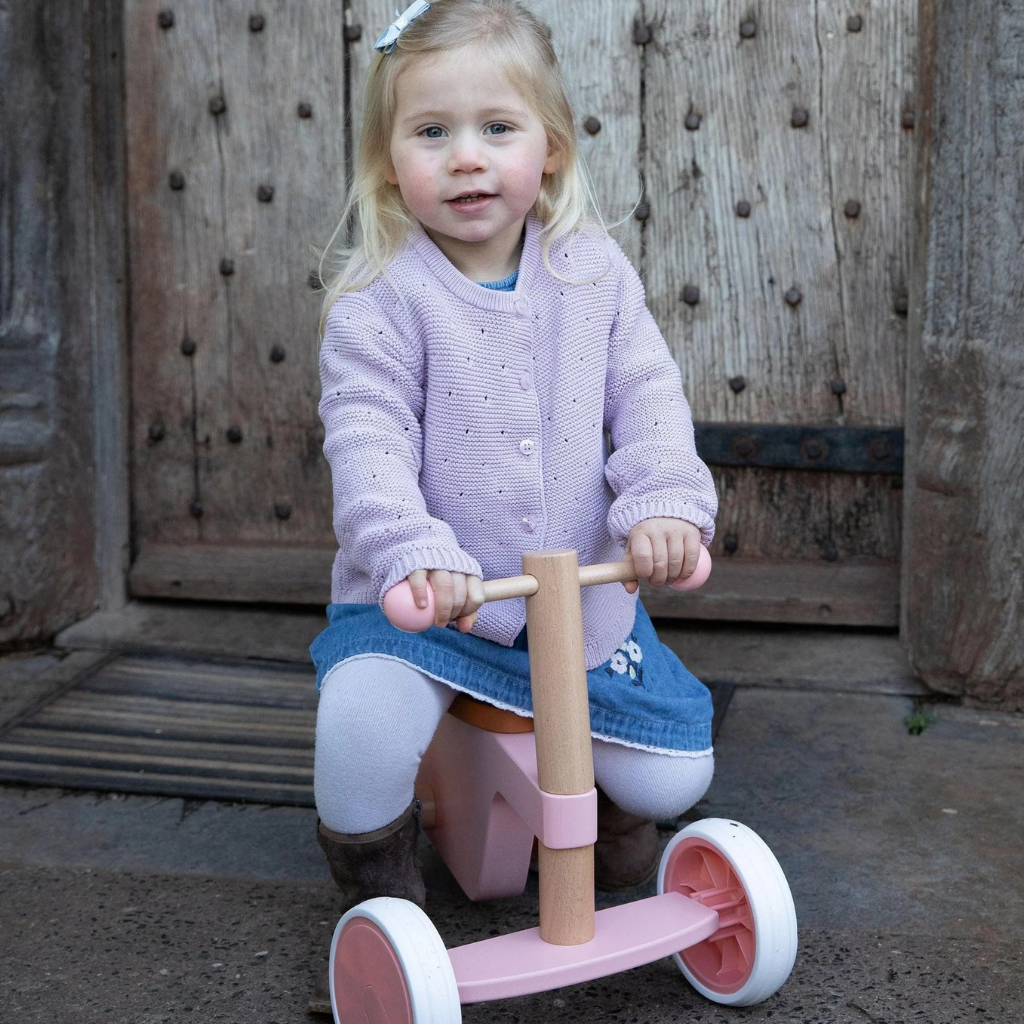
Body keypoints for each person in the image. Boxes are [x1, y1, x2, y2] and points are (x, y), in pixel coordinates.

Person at [307, 0, 718, 1010]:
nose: (465, 158)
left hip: (577, 603)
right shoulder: (380, 301)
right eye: (431, 132)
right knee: (357, 734)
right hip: (429, 603)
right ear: (386, 159)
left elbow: (648, 397)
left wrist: (661, 503)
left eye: (497, 128)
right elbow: (367, 442)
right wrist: (411, 552)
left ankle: (608, 816)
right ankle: (381, 891)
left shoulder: (592, 275)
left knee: (678, 780)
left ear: (552, 149)